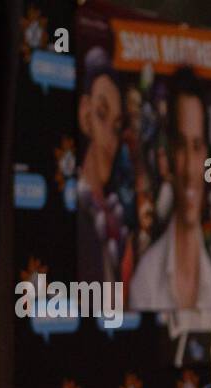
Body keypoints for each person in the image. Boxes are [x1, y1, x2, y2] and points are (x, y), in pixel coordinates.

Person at [128, 68, 211, 330]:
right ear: (169, 155)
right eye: (181, 146)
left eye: (197, 146)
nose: (191, 169)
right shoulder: (146, 280)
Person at [76, 47, 124, 286]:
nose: (109, 139)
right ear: (85, 115)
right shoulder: (76, 208)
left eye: (116, 126)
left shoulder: (115, 219)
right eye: (101, 114)